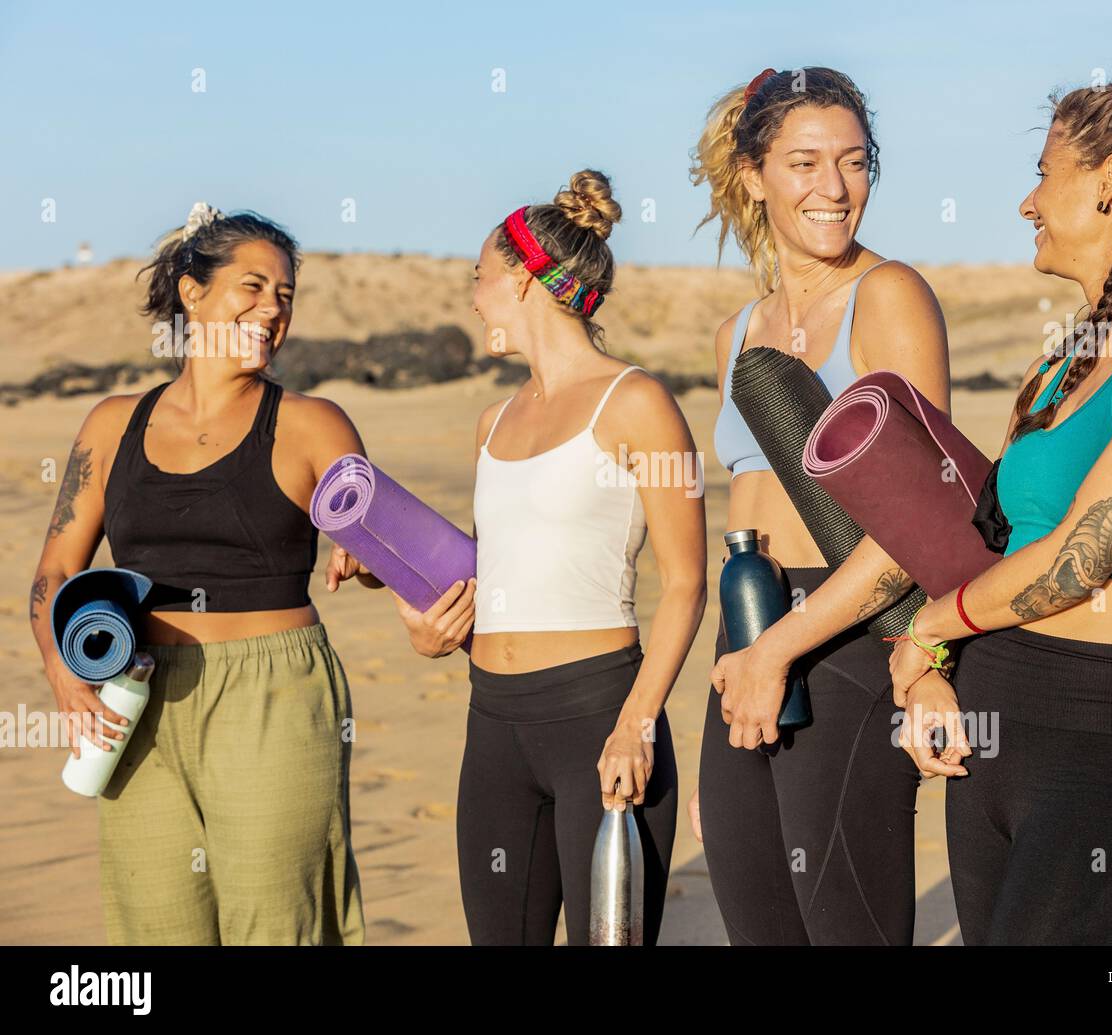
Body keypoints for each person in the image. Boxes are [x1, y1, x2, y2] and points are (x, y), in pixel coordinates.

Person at [888, 82, 1112, 945]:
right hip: (992, 728)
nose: (1027, 201)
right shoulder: (1070, 360)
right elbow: (997, 545)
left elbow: (1072, 561)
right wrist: (931, 666)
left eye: (1043, 173)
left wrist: (925, 630)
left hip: (1096, 747)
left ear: (1111, 180)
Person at [350, 171, 707, 945]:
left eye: (478, 279)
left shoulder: (639, 403)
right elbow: (502, 567)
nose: (474, 300)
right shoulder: (491, 420)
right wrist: (399, 584)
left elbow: (685, 584)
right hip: (493, 724)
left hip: (599, 717)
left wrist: (636, 725)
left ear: (519, 278)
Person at [30, 203, 366, 945]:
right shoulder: (112, 423)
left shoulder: (316, 423)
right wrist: (61, 669)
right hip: (134, 694)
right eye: (252, 286)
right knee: (155, 927)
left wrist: (364, 556)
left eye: (285, 296)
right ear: (192, 292)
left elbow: (382, 545)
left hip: (272, 694)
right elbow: (56, 567)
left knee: (279, 921)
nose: (271, 309)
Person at [689, 67, 960, 945]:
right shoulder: (737, 332)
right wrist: (743, 654)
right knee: (757, 919)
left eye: (853, 161)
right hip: (749, 628)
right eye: (804, 162)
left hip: (850, 635)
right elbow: (744, 503)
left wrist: (782, 649)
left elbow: (919, 521)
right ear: (753, 174)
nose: (834, 189)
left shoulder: (889, 296)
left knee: (849, 924)